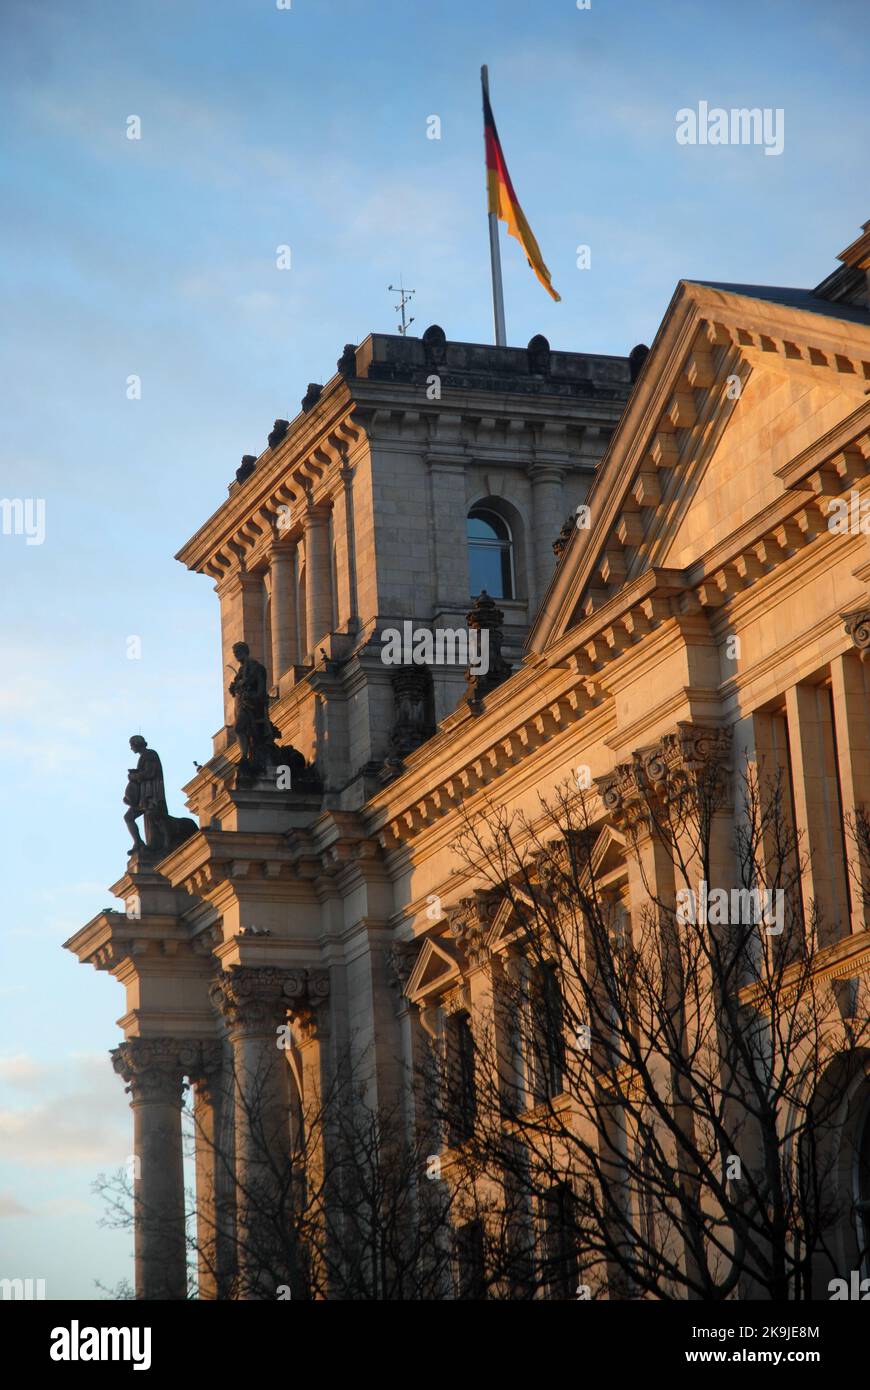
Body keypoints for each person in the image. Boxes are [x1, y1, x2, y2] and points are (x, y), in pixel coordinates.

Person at [123, 736, 168, 851]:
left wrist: (135, 776)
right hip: (143, 795)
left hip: (151, 794)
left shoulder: (149, 754)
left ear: (137, 744)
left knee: (151, 816)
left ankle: (155, 844)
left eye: (131, 744)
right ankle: (138, 842)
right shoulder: (145, 756)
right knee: (128, 817)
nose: (131, 747)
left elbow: (150, 772)